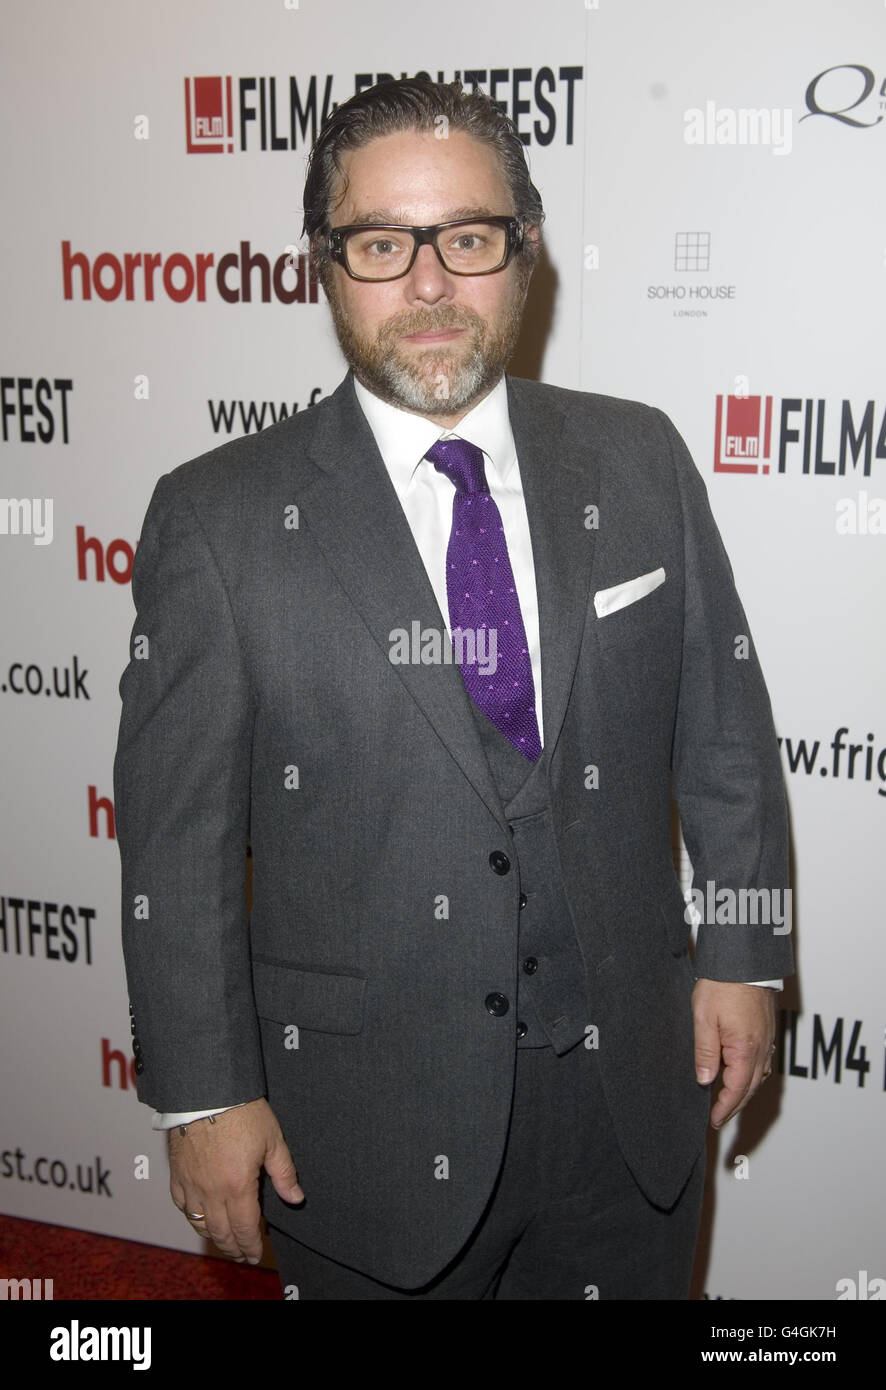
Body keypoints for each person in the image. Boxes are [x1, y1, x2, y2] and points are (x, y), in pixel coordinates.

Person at [113, 77, 794, 1300]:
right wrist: (206, 1089)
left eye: (467, 238)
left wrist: (744, 951)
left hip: (631, 1105)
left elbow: (726, 735)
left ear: (523, 250)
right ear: (323, 265)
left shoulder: (636, 458)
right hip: (362, 1130)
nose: (428, 286)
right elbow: (177, 843)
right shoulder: (217, 521)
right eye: (381, 244)